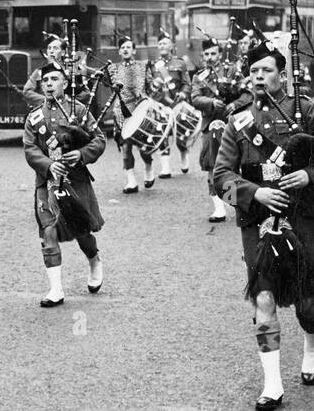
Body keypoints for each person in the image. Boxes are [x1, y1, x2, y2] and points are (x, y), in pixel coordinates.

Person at [211, 39, 314, 411]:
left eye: (267, 71)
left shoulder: (306, 111)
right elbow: (221, 175)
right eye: (254, 71)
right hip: (256, 222)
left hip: (301, 215)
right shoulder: (237, 122)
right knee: (263, 298)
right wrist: (253, 194)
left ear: (282, 75)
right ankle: (272, 384)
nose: (259, 77)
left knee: (306, 302)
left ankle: (312, 342)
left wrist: (312, 175)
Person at [22, 59, 106, 307]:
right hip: (46, 182)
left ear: (65, 83)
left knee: (82, 231)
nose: (49, 84)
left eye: (54, 80)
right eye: (45, 81)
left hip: (74, 179)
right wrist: (48, 165)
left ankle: (94, 261)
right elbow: (29, 149)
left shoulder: (79, 110)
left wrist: (82, 154)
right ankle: (55, 289)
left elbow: (99, 140)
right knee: (48, 230)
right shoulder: (34, 116)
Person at [189, 36, 246, 222]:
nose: (210, 57)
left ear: (220, 54)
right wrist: (211, 102)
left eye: (214, 53)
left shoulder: (232, 71)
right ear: (203, 56)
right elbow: (195, 98)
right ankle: (219, 208)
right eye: (207, 54)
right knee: (212, 165)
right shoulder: (199, 77)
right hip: (211, 125)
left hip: (233, 123)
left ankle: (233, 202)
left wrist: (235, 104)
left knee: (233, 164)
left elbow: (248, 93)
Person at [110, 35, 153, 193]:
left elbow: (148, 85)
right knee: (125, 147)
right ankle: (131, 180)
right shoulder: (113, 68)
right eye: (122, 48)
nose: (125, 50)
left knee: (143, 147)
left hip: (139, 110)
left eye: (128, 47)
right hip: (121, 111)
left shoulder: (143, 66)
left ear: (134, 50)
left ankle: (149, 167)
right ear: (119, 51)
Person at [148, 31, 192, 177]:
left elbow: (187, 84)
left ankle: (184, 154)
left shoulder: (179, 63)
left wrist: (183, 93)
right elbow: (149, 86)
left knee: (180, 135)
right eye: (159, 43)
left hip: (177, 103)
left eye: (165, 43)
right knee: (161, 133)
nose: (162, 45)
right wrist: (154, 85)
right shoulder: (153, 64)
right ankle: (165, 167)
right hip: (160, 104)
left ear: (172, 45)